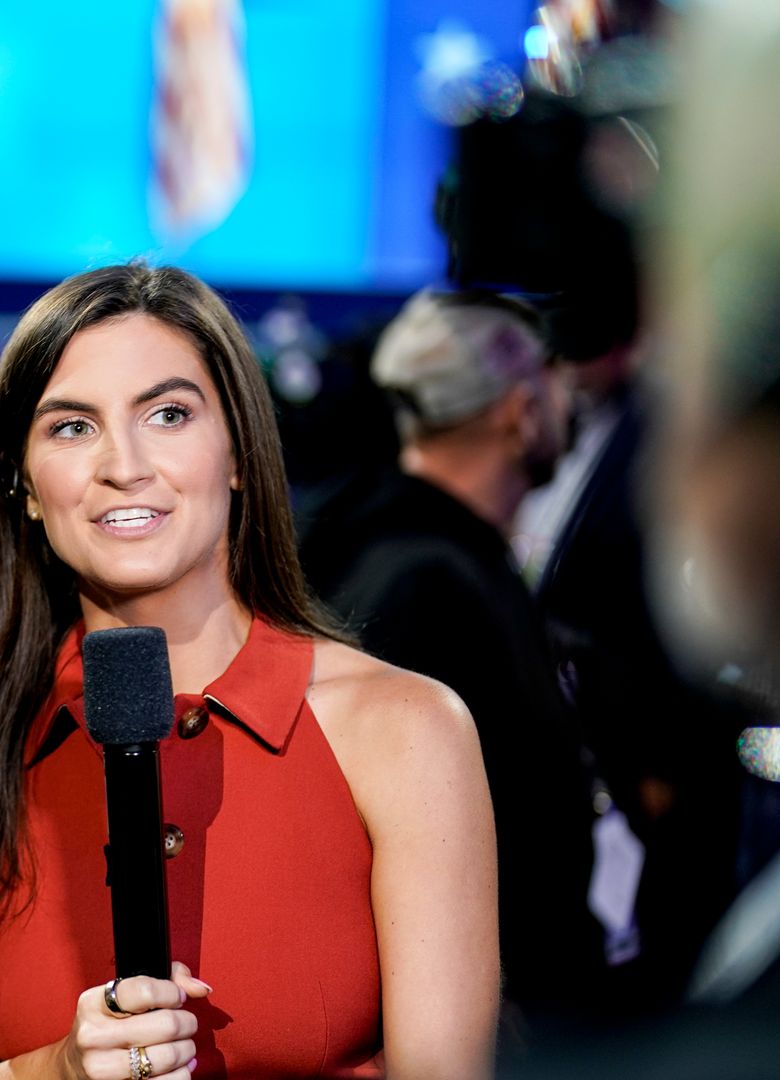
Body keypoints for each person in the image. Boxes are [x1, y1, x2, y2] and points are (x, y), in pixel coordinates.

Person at [0, 264, 498, 1079]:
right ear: (23, 485)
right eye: (72, 428)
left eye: (168, 414)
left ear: (239, 453)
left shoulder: (408, 731)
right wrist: (54, 1071)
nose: (124, 464)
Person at [296, 291, 606, 1017]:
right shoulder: (430, 582)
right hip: (492, 1012)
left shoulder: (381, 544)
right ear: (518, 411)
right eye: (551, 383)